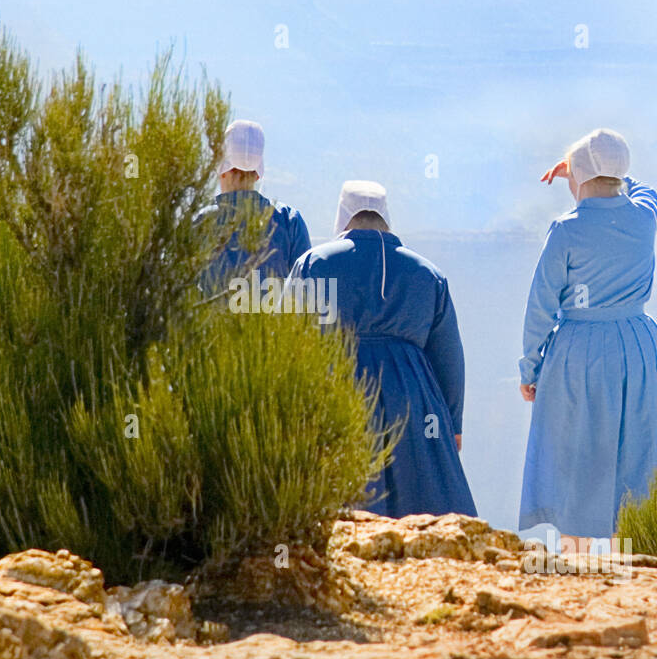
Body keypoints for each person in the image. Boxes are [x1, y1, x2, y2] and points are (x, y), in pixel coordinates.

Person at [517, 128, 657, 553]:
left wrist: (529, 368)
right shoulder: (646, 215)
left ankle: (574, 557)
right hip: (640, 349)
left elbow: (541, 306)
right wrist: (597, 164)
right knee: (639, 452)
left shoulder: (565, 230)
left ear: (581, 177)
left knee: (575, 452)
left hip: (580, 351)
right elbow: (643, 187)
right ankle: (635, 553)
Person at [288, 180, 477, 519]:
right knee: (423, 504)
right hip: (411, 396)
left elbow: (288, 340)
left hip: (338, 387)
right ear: (386, 217)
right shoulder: (427, 272)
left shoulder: (313, 264)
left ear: (343, 217)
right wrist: (452, 422)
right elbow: (448, 356)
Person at [196, 119, 310, 291]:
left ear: (221, 168)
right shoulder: (290, 221)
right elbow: (306, 293)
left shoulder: (200, 223)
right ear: (258, 174)